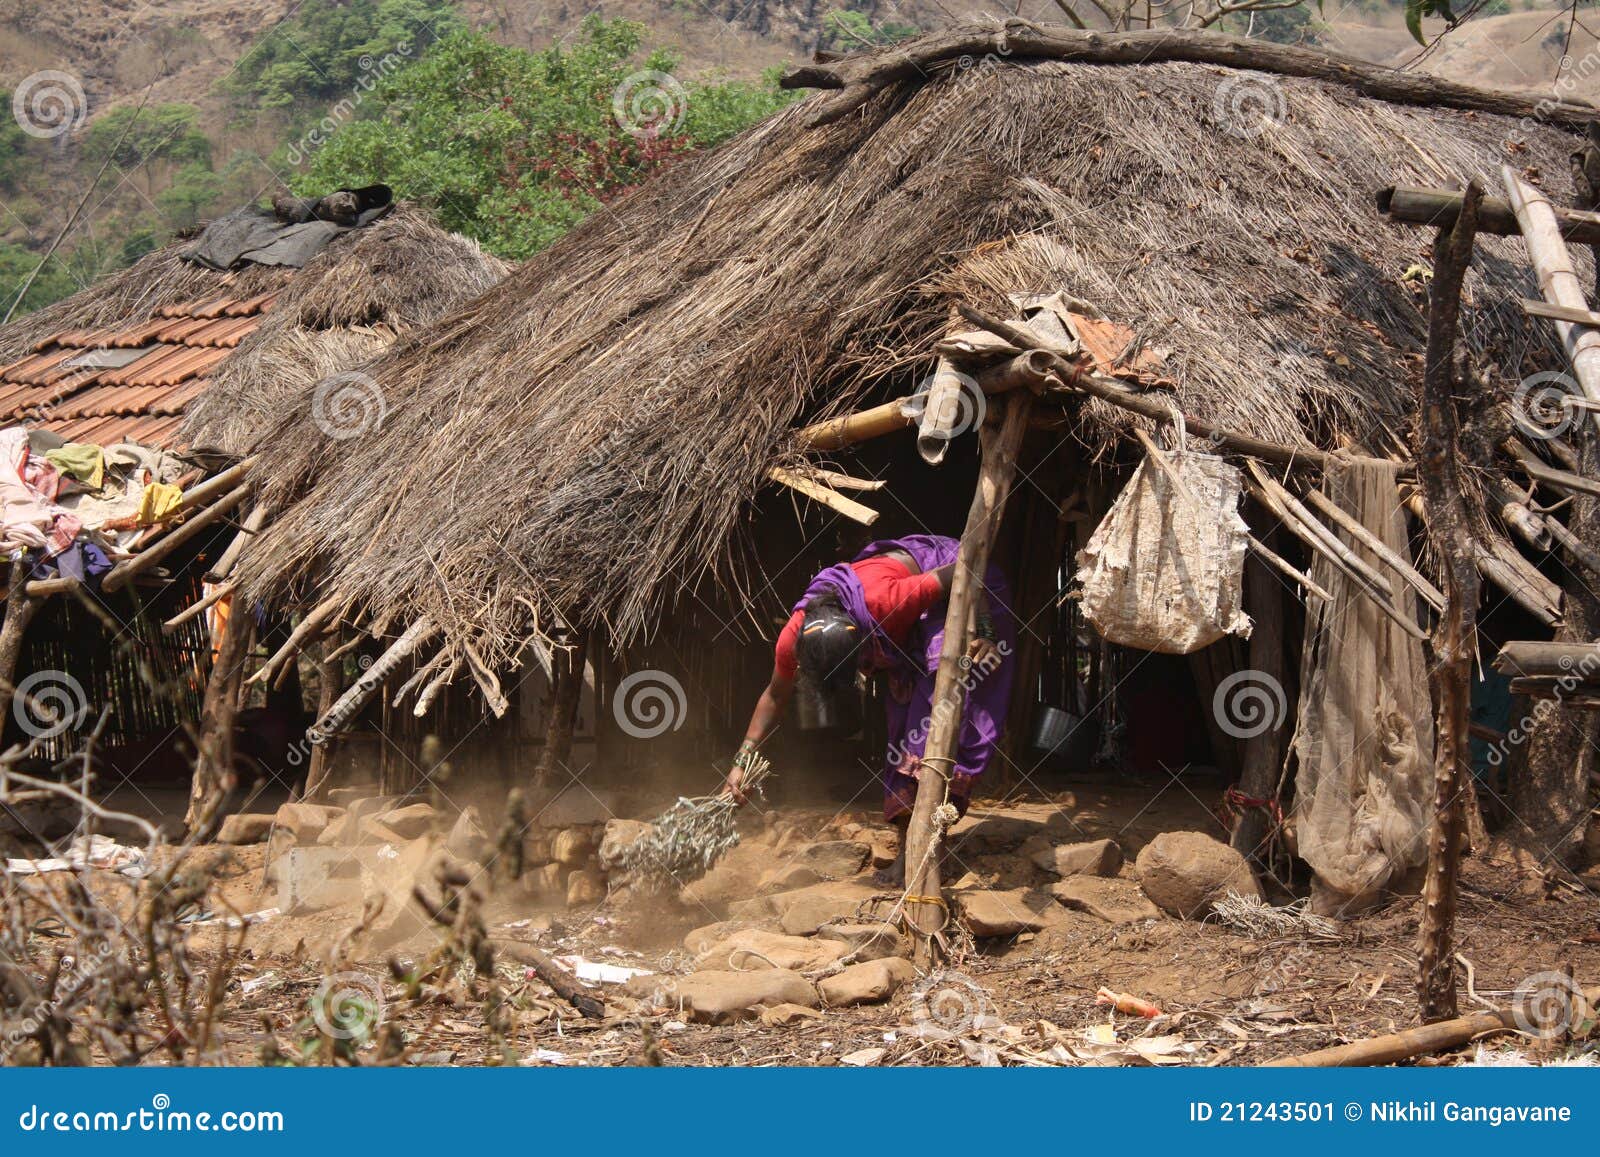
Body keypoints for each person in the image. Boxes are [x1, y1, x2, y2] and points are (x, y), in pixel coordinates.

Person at [722, 533, 1015, 884]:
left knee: (937, 715)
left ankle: (920, 859)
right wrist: (740, 762)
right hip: (915, 603)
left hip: (963, 585)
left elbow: (966, 570)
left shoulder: (886, 602)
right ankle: (913, 849)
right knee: (904, 727)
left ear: (865, 640)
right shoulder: (794, 638)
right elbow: (774, 696)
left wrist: (983, 629)